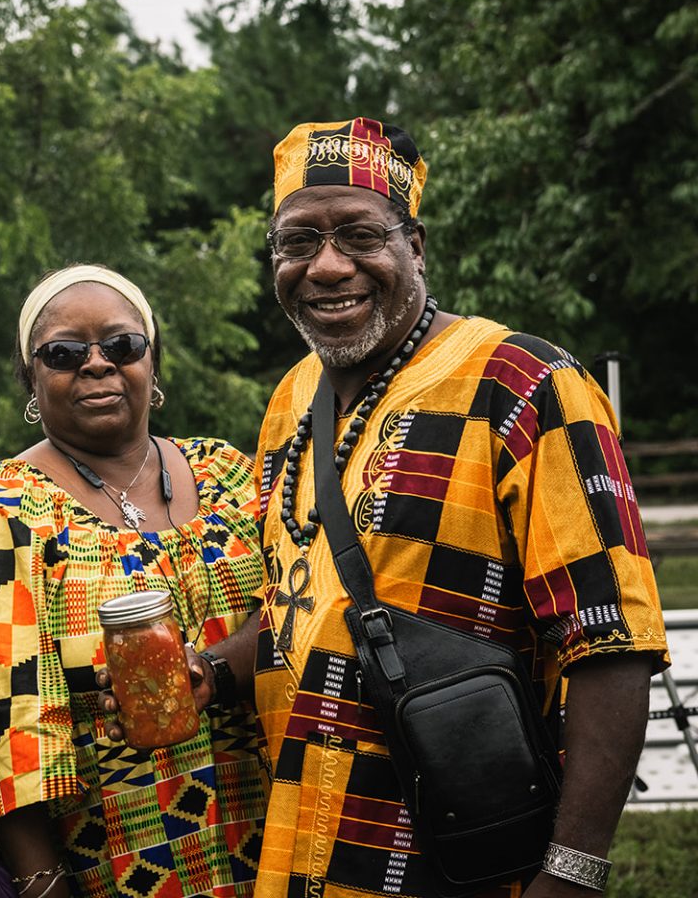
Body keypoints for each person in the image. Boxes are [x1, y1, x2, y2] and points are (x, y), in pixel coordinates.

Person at [188, 117, 668, 897]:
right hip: (305, 853)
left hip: (460, 860)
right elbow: (300, 604)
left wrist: (572, 872)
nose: (328, 266)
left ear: (414, 246)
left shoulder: (522, 386)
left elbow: (612, 645)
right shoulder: (289, 403)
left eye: (359, 235)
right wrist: (214, 671)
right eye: (298, 242)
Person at [0, 265, 268, 898]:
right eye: (63, 353)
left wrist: (216, 669)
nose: (97, 365)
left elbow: (303, 610)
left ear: (151, 361)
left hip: (277, 844)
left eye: (121, 345)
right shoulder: (2, 512)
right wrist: (42, 883)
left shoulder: (231, 476)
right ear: (33, 379)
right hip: (116, 862)